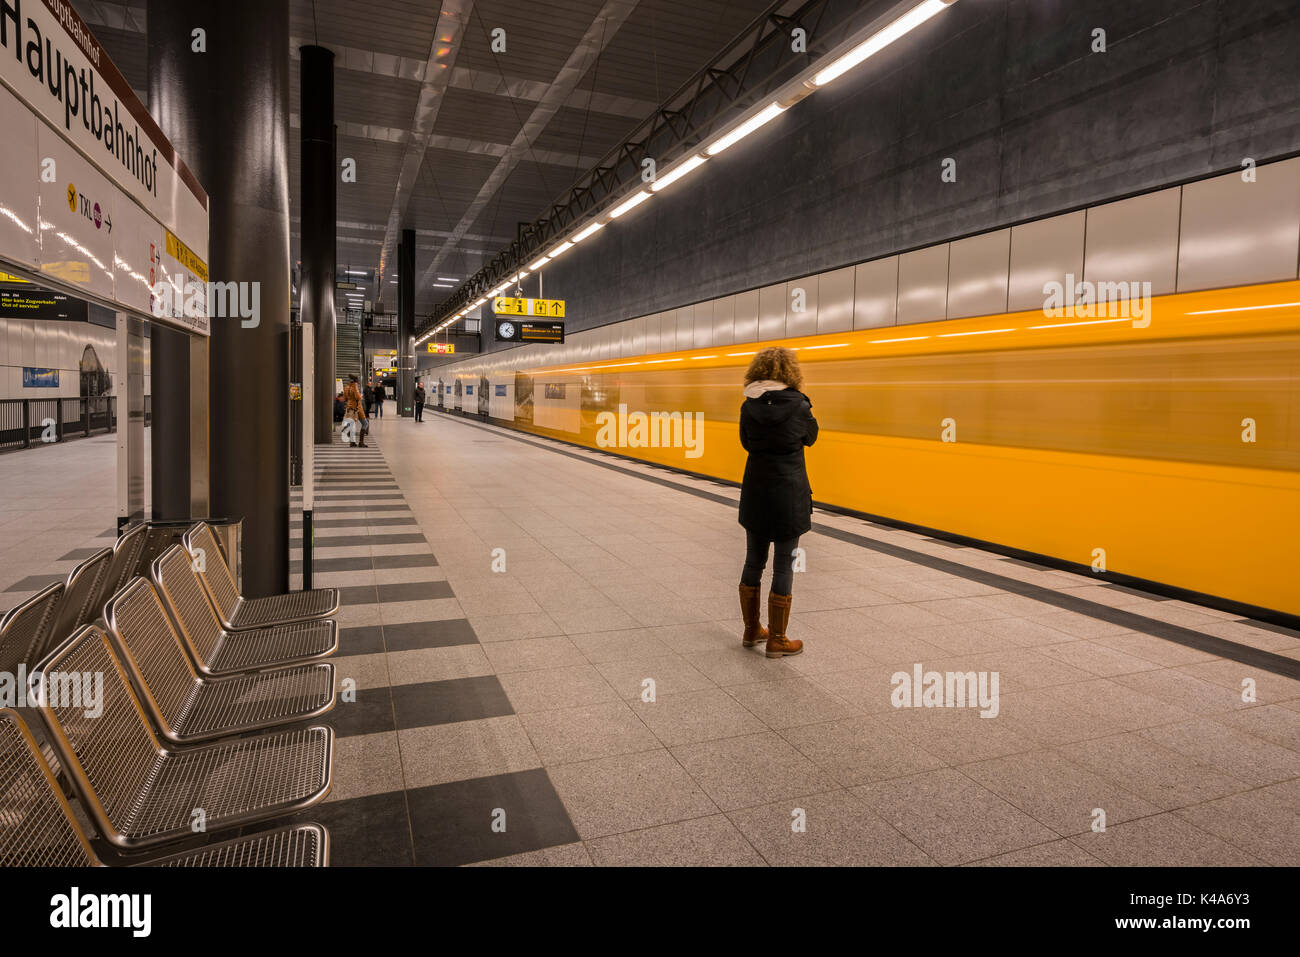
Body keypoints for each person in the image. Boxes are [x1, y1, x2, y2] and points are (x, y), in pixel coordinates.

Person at [737, 347, 818, 658]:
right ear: (789, 372)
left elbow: (745, 442)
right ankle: (778, 639)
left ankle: (751, 629)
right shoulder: (799, 405)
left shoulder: (748, 406)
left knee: (753, 561)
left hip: (756, 489)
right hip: (789, 492)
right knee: (784, 565)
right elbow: (811, 437)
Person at [343, 374, 368, 448]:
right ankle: (361, 442)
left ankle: (352, 442)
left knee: (352, 425)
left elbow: (345, 398)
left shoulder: (347, 386)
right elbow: (358, 397)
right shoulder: (355, 386)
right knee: (365, 424)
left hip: (349, 407)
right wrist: (361, 396)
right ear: (356, 380)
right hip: (357, 408)